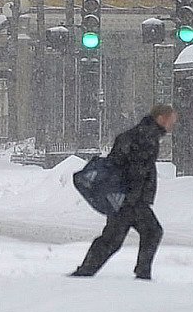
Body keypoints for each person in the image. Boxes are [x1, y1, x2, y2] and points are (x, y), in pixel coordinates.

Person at [72, 104, 173, 280]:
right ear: (161, 118)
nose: (172, 124)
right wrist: (132, 197)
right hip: (130, 199)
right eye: (171, 119)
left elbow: (119, 160)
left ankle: (86, 271)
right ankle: (142, 274)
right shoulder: (147, 138)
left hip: (121, 196)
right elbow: (137, 170)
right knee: (151, 232)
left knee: (113, 239)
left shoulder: (138, 134)